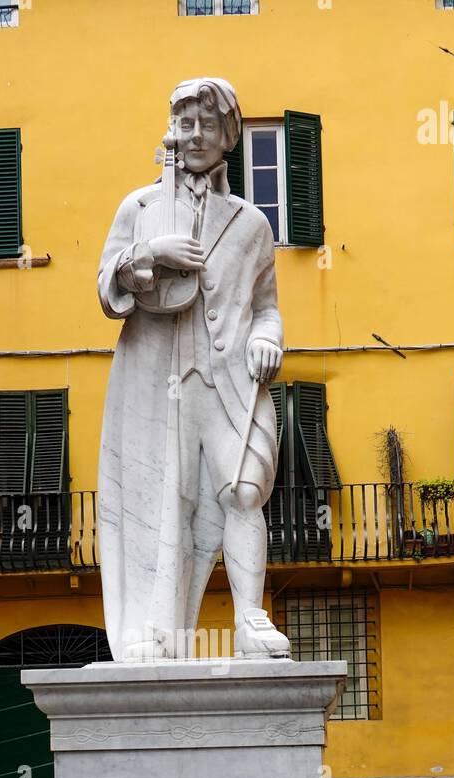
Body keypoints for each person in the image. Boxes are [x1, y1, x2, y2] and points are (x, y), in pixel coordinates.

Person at [97, 76, 291, 661]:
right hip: (160, 381)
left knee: (245, 488)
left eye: (208, 124)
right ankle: (158, 630)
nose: (197, 135)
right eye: (186, 123)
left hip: (230, 379)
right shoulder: (140, 207)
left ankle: (251, 619)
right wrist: (148, 254)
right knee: (167, 500)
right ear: (172, 133)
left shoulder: (252, 224)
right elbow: (107, 290)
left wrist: (267, 341)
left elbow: (267, 308)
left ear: (228, 135)